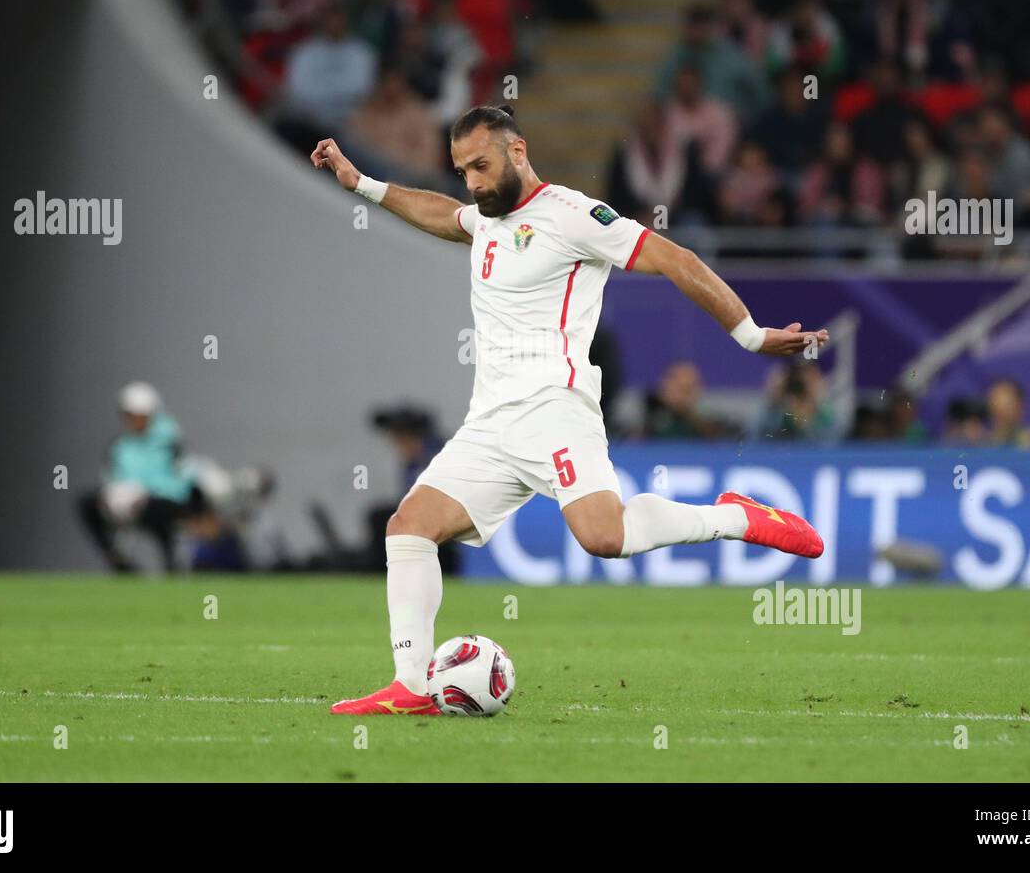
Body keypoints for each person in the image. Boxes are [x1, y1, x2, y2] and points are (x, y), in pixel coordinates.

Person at [310, 104, 829, 715]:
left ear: (518, 152)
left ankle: (734, 519)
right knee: (409, 528)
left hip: (556, 406)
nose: (472, 183)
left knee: (605, 538)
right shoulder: (485, 215)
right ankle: (410, 685)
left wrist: (751, 336)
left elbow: (676, 261)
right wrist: (363, 184)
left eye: (481, 165)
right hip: (490, 421)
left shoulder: (574, 216)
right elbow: (446, 217)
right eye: (462, 171)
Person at [76, 382, 205, 572]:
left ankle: (172, 565)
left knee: (159, 511)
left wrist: (147, 492)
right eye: (129, 415)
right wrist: (115, 494)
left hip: (165, 500)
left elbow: (181, 477)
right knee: (87, 503)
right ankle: (117, 560)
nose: (134, 420)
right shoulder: (121, 447)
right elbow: (112, 476)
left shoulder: (170, 441)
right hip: (128, 502)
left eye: (139, 415)